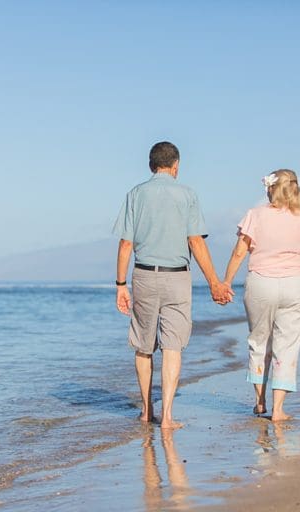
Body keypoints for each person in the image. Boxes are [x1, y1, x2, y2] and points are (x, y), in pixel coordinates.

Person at [113, 141, 233, 430]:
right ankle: (167, 416)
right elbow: (196, 241)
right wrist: (215, 283)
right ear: (176, 166)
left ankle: (145, 410)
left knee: (143, 345)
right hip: (178, 276)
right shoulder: (187, 195)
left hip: (143, 275)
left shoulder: (135, 194)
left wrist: (120, 284)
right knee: (172, 346)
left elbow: (126, 243)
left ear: (151, 165)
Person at [223, 169, 300, 422]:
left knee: (259, 340)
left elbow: (238, 253)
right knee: (286, 345)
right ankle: (278, 410)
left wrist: (225, 282)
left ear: (270, 188)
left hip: (260, 284)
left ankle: (259, 401)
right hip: (295, 284)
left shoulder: (254, 216)